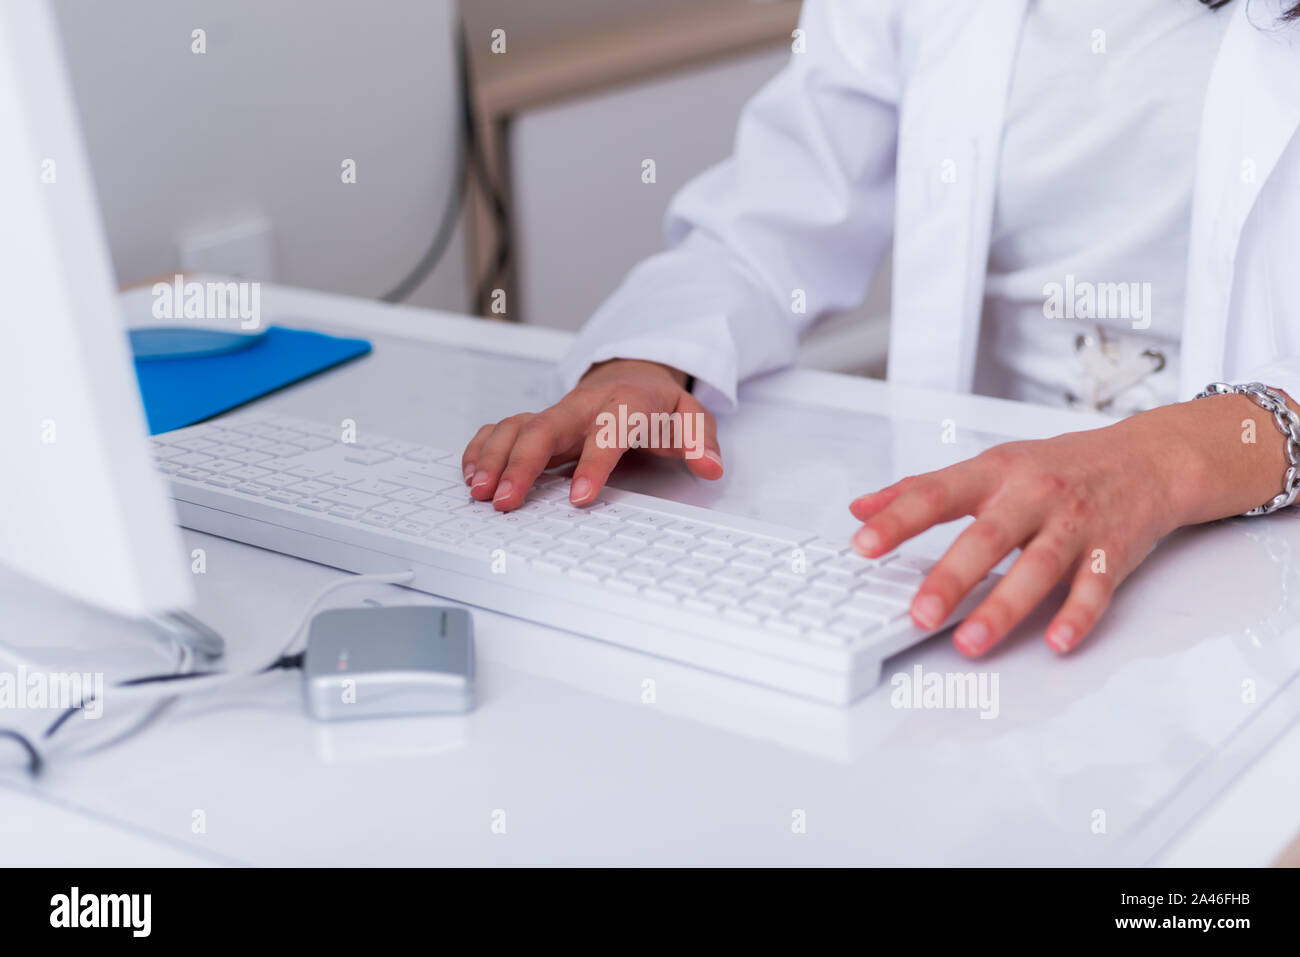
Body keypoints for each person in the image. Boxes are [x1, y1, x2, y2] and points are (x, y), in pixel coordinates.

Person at [461, 0, 1300, 660]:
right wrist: (644, 362)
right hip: (1002, 537)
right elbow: (778, 212)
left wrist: (1158, 461)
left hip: (1263, 554)